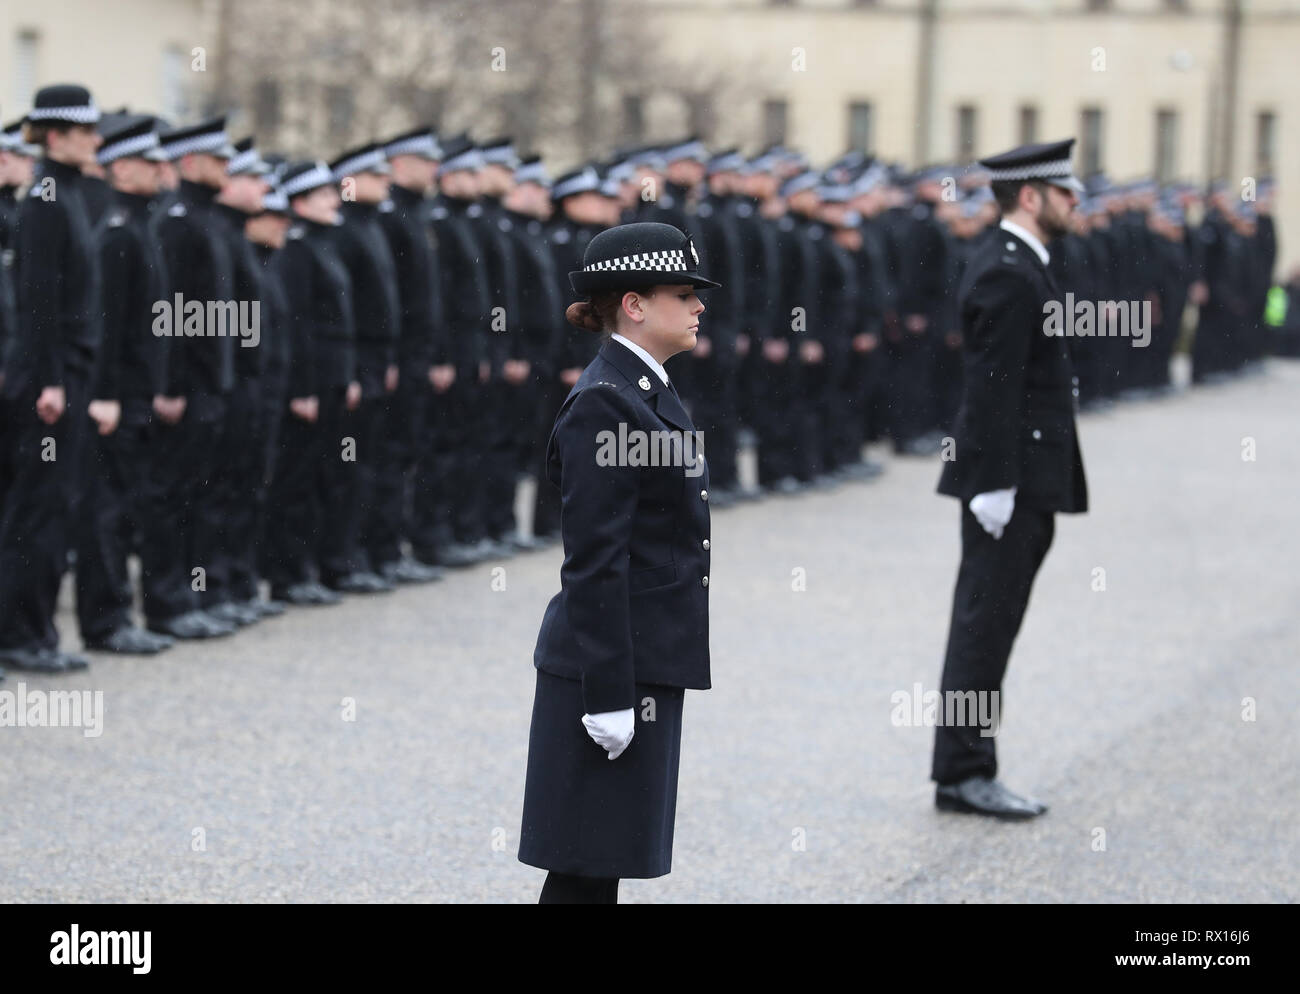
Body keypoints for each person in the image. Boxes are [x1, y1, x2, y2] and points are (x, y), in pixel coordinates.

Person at [519, 222, 718, 903]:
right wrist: (609, 695)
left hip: (641, 655)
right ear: (634, 304)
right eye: (683, 293)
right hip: (609, 666)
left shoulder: (642, 388)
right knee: (582, 867)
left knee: (597, 862)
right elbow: (595, 560)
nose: (697, 307)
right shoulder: (608, 401)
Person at [932, 138, 1088, 819]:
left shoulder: (1025, 263)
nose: (1075, 202)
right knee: (983, 627)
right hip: (1009, 480)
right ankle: (965, 771)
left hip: (1022, 474)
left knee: (992, 622)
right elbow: (991, 387)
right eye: (1064, 192)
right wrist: (992, 483)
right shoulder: (1009, 271)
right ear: (1031, 196)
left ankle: (967, 763)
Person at [0, 84, 103, 674]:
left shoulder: (64, 193)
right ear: (58, 135)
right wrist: (50, 381)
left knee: (54, 506)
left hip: (68, 373)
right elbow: (38, 299)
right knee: (38, 510)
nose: (96, 141)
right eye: (86, 131)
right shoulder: (45, 195)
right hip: (51, 382)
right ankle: (21, 631)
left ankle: (33, 629)